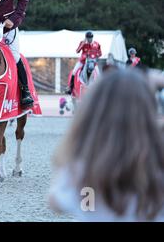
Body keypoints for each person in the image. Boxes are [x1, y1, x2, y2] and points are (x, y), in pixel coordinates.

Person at [49, 68, 164, 221]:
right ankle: (70, 85)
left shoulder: (82, 171)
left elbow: (57, 201)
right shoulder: (157, 170)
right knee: (76, 70)